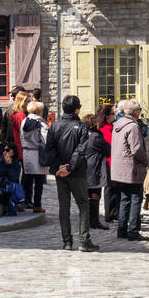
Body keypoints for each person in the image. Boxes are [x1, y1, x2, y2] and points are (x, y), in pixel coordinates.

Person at [47, 95, 98, 252]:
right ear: (76, 109)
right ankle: (84, 240)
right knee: (83, 204)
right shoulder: (81, 127)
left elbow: (49, 149)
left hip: (62, 172)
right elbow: (80, 150)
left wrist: (58, 167)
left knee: (64, 206)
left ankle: (67, 241)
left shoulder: (55, 126)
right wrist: (69, 168)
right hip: (75, 172)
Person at [110, 100, 149, 241]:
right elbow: (137, 149)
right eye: (139, 109)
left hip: (120, 168)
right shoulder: (132, 126)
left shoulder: (118, 124)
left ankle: (122, 230)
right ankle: (133, 231)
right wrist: (146, 161)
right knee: (135, 199)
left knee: (125, 199)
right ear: (135, 111)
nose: (141, 111)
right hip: (131, 168)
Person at [20, 100, 49, 213]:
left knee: (27, 180)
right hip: (38, 153)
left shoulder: (24, 121)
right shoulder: (40, 123)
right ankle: (37, 205)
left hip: (27, 152)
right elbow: (46, 140)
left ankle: (23, 202)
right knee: (39, 181)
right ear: (39, 111)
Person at [84, 112, 111, 230]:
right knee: (95, 195)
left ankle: (88, 220)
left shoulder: (83, 135)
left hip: (84, 168)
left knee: (86, 196)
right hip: (94, 168)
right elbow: (108, 150)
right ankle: (94, 221)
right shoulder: (96, 136)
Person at [96, 103, 119, 225]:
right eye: (112, 114)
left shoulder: (109, 126)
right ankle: (110, 214)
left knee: (113, 189)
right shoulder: (106, 129)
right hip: (109, 161)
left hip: (111, 161)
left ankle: (113, 212)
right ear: (106, 116)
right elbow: (110, 146)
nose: (114, 116)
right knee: (110, 189)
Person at [0, 145, 26, 215]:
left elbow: (14, 179)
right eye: (4, 150)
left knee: (14, 186)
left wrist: (9, 165)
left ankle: (12, 210)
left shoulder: (16, 165)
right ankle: (21, 201)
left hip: (11, 188)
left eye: (8, 150)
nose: (5, 152)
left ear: (14, 152)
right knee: (16, 187)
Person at [6, 89, 30, 161]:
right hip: (21, 146)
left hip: (20, 144)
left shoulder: (19, 113)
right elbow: (24, 132)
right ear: (23, 102)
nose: (29, 103)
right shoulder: (20, 115)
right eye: (28, 101)